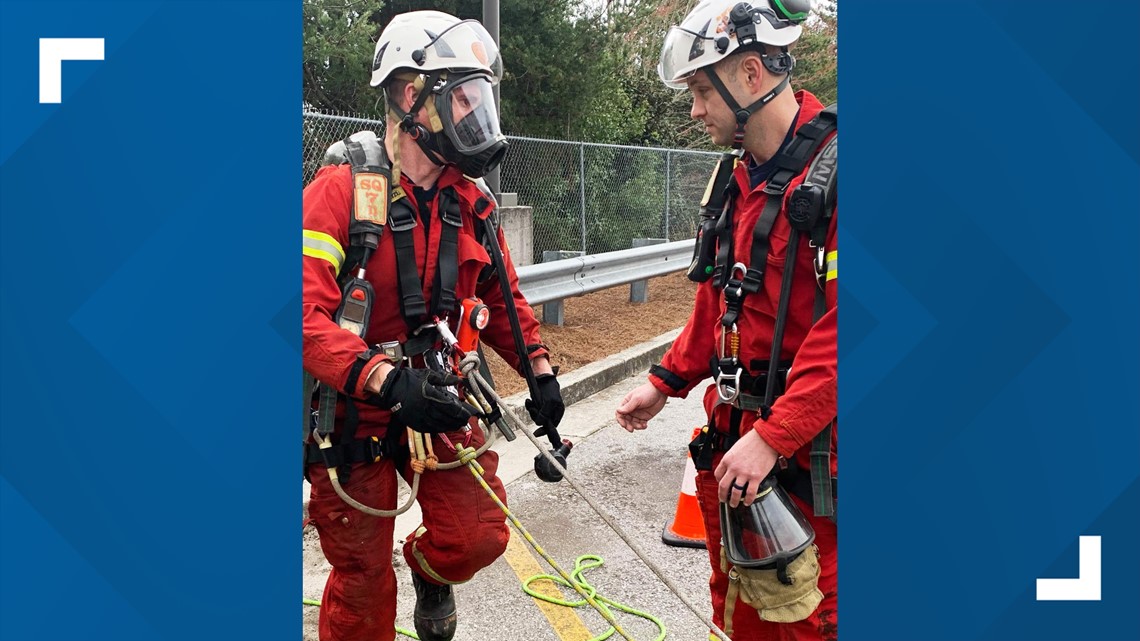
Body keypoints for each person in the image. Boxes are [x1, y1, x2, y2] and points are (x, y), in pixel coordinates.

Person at [302, 11, 565, 641]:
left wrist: (542, 372)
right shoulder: (340, 194)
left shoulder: (470, 203)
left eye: (481, 100)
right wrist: (389, 384)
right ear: (409, 97)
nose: (477, 115)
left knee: (477, 535)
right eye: (464, 99)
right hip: (354, 409)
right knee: (362, 576)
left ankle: (428, 569)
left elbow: (503, 300)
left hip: (441, 395)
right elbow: (303, 316)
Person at [615, 1, 837, 640]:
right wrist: (663, 382)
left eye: (699, 90)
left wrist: (775, 436)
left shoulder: (841, 175)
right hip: (737, 441)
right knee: (739, 607)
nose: (693, 110)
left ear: (748, 75)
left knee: (809, 614)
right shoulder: (738, 178)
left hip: (809, 451)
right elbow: (722, 303)